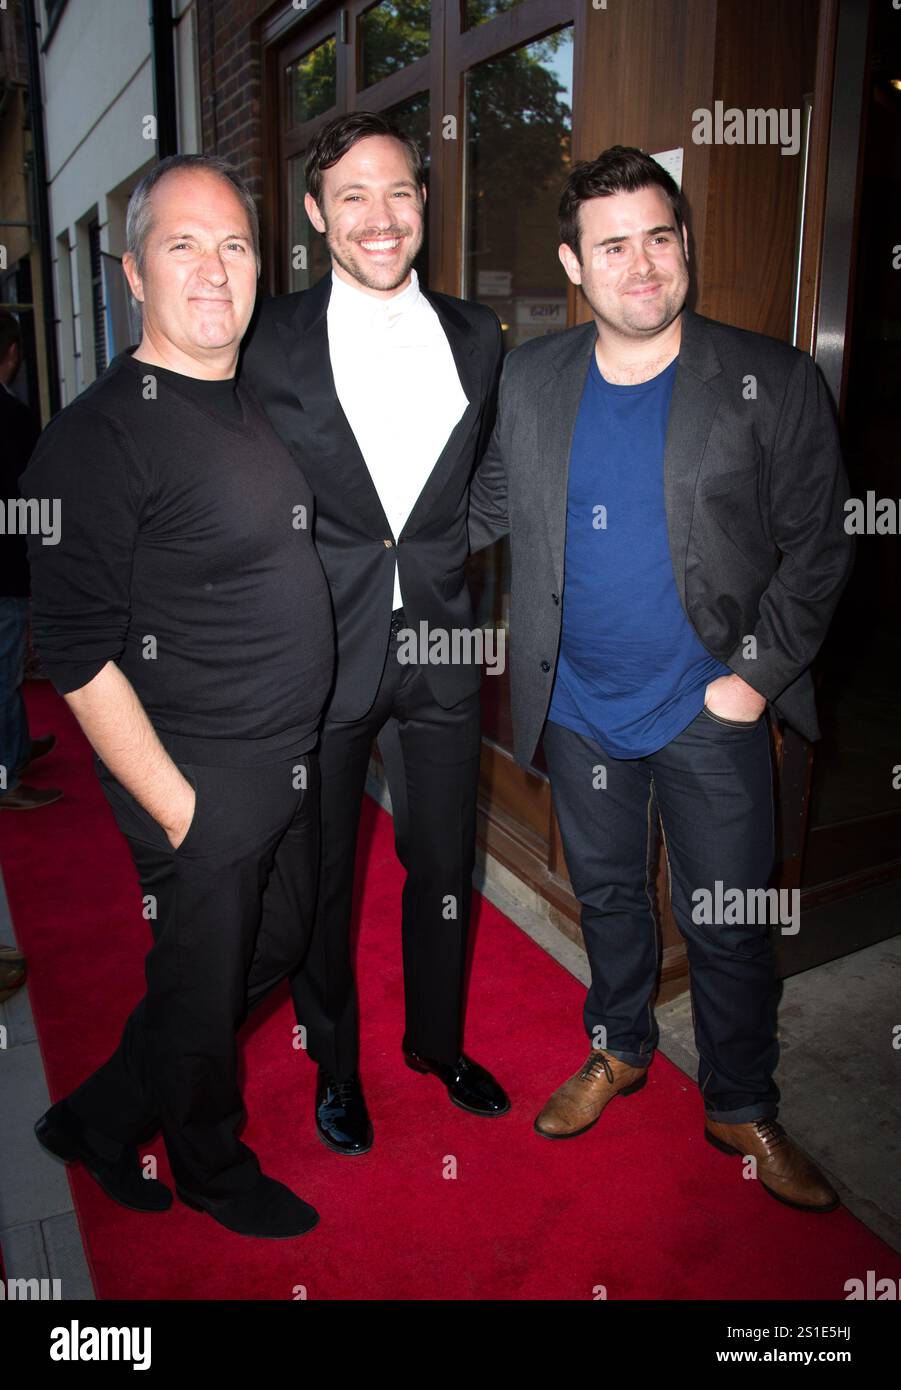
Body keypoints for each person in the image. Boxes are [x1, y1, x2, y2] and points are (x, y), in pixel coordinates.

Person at [468, 146, 854, 1213]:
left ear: (682, 247)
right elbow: (485, 505)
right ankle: (620, 1046)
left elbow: (819, 550)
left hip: (707, 710)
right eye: (612, 246)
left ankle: (740, 1100)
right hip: (580, 706)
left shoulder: (767, 378)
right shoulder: (532, 379)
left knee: (726, 918)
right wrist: (368, 537)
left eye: (658, 238)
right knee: (605, 899)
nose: (641, 265)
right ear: (572, 265)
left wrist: (748, 684)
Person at [22, 155, 334, 1238]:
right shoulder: (94, 440)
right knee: (205, 996)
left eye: (235, 244)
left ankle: (99, 1114)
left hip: (280, 762)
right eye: (183, 245)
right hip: (199, 781)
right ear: (131, 272)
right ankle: (208, 1166)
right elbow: (72, 649)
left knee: (274, 947)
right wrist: (179, 808)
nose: (214, 269)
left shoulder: (239, 397)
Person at [241, 112, 509, 1156]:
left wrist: (448, 545)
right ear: (316, 216)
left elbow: (484, 471)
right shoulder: (266, 338)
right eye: (350, 195)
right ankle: (335, 1062)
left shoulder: (478, 334)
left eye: (397, 190)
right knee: (322, 877)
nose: (378, 215)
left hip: (442, 647)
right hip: (320, 650)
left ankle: (436, 1044)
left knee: (444, 862)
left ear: (424, 203)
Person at [0, 310, 59, 812]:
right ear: (13, 354)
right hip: (4, 569)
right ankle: (4, 777)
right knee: (2, 674)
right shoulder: (12, 418)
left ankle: (15, 750)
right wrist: (46, 551)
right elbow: (30, 497)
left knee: (7, 671)